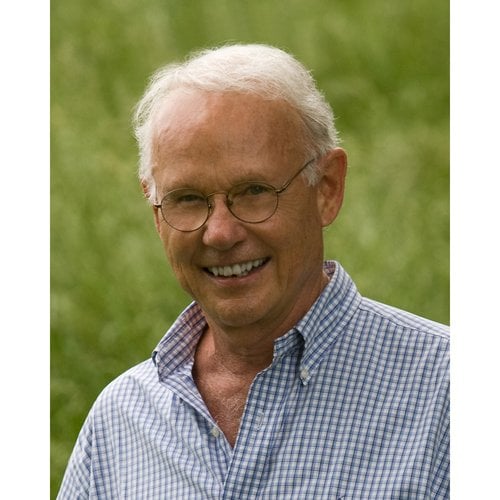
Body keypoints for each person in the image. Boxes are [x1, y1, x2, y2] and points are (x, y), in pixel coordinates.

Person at [58, 44, 449, 499]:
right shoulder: (120, 422)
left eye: (254, 191)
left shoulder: (448, 394)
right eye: (188, 199)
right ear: (157, 214)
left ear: (327, 188)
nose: (220, 233)